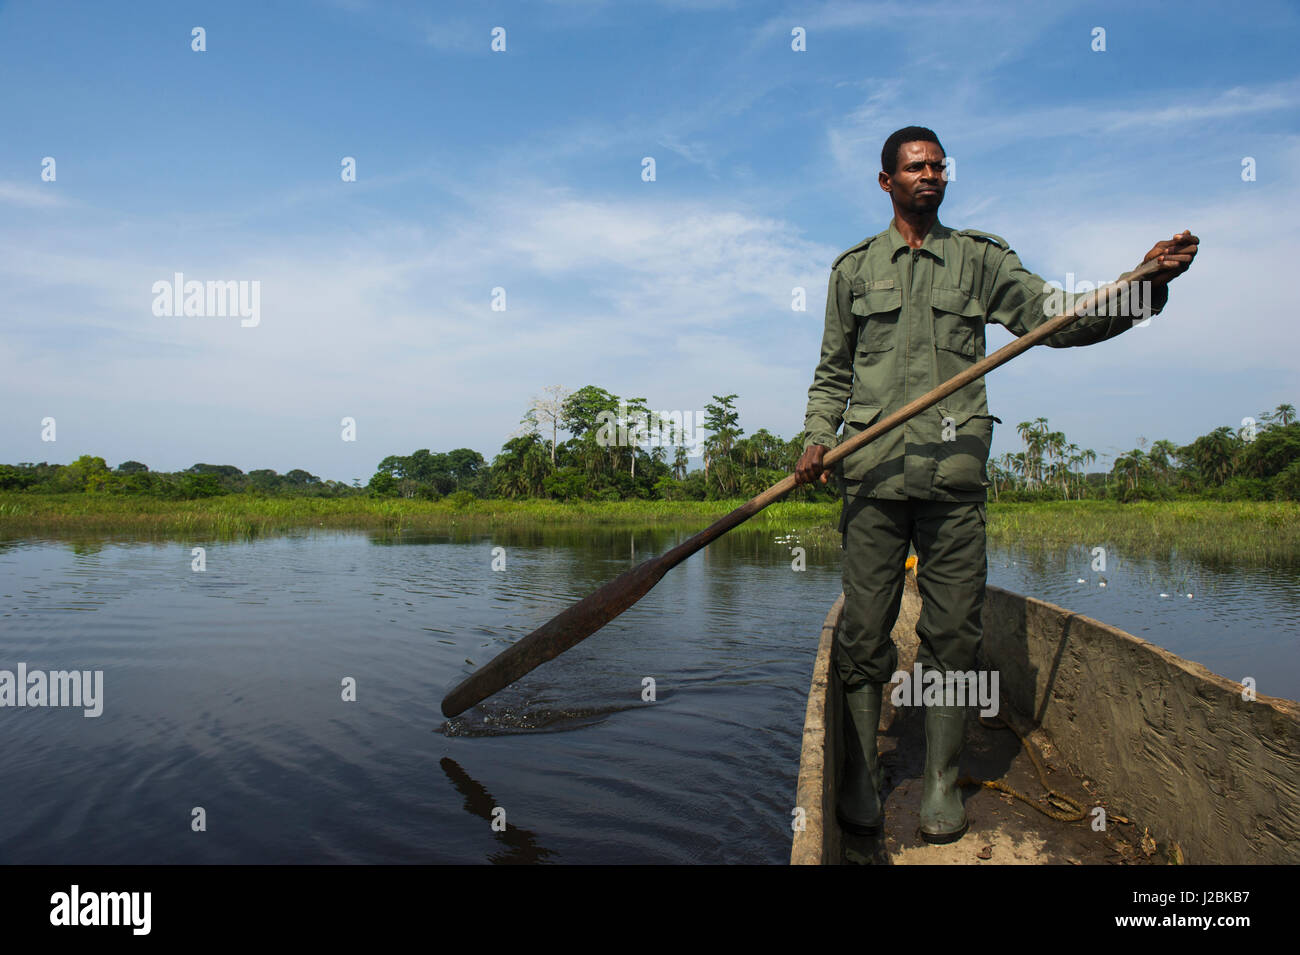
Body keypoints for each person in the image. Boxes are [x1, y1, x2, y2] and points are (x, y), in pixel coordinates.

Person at [793, 126, 1198, 844]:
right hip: (874, 479)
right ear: (884, 181)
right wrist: (817, 437)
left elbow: (1057, 320)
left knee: (953, 635)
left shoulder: (979, 260)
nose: (930, 175)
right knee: (861, 635)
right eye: (915, 167)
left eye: (938, 166)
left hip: (952, 483)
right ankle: (857, 777)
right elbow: (833, 373)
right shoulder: (852, 270)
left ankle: (943, 782)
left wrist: (1143, 286)